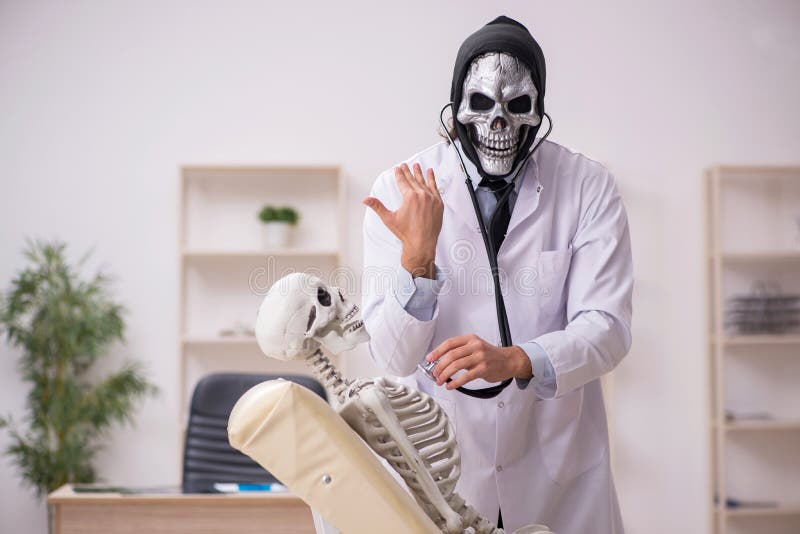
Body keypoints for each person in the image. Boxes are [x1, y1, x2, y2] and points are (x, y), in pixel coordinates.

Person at [361, 15, 632, 534]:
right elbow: (394, 356)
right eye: (482, 104)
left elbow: (608, 328)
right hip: (442, 474)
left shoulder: (587, 186)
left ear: (539, 109)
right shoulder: (401, 188)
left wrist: (516, 358)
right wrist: (418, 258)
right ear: (457, 109)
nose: (499, 123)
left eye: (518, 105)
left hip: (558, 472)